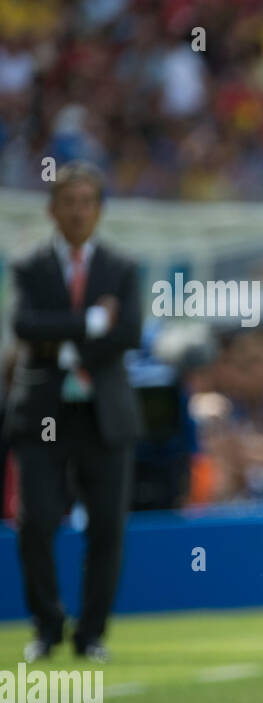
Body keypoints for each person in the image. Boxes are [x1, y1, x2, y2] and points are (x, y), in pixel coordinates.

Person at [6, 162, 142, 664]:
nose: (79, 211)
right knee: (36, 522)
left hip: (104, 416)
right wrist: (88, 322)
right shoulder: (30, 264)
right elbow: (24, 324)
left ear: (99, 209)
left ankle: (91, 635)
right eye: (70, 201)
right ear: (53, 209)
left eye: (88, 202)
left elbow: (127, 333)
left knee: (106, 528)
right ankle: (46, 626)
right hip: (43, 414)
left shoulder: (122, 267)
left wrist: (63, 348)